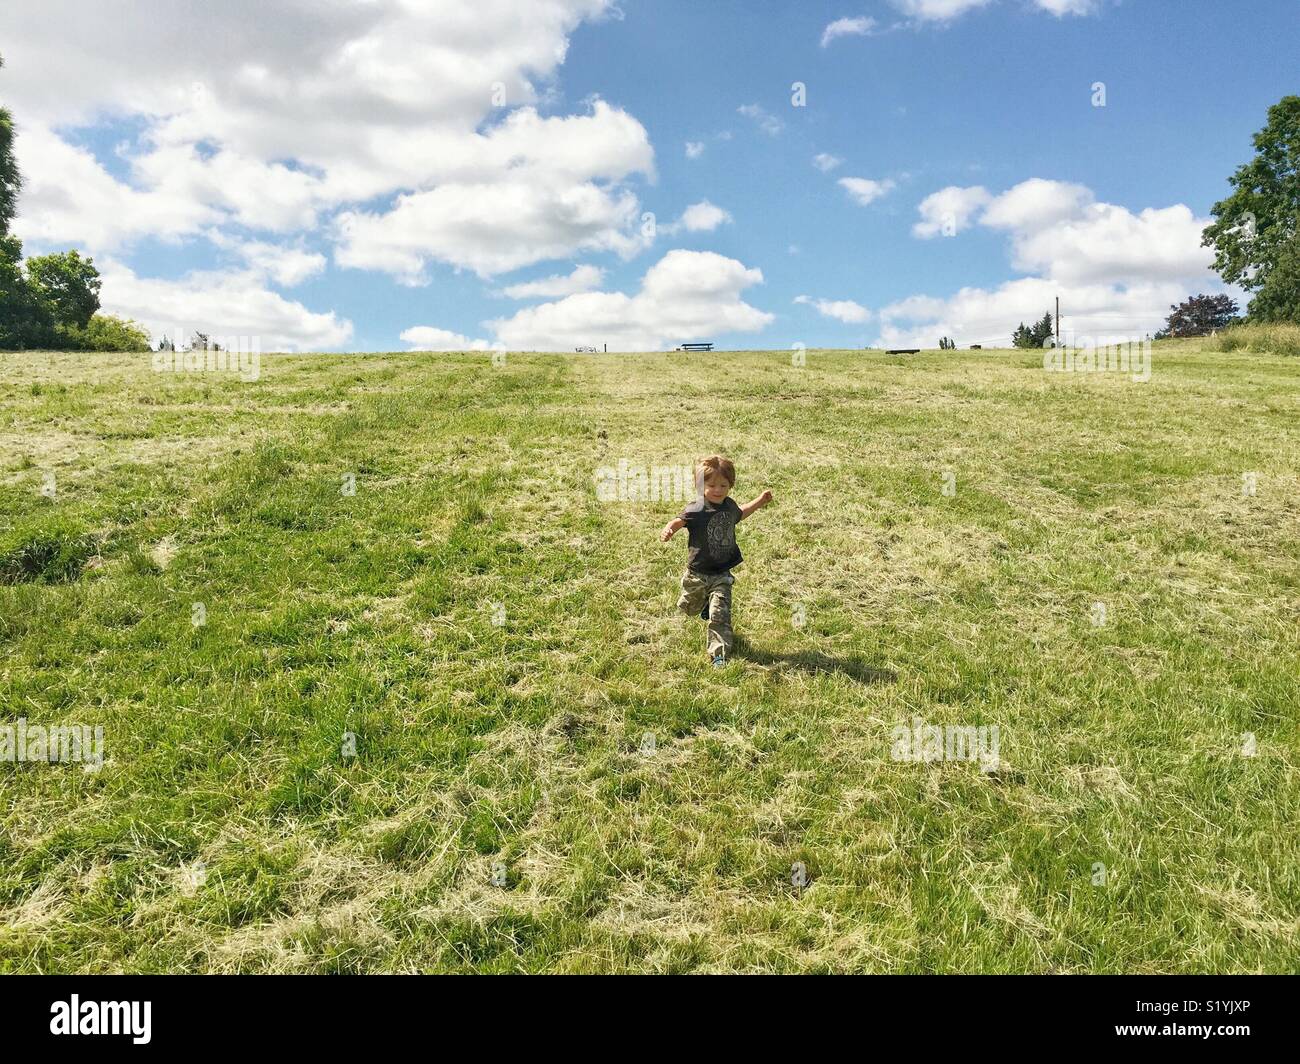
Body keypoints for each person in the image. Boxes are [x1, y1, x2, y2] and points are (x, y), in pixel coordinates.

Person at [660, 455, 773, 668]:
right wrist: (669, 529)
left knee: (720, 615)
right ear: (700, 485)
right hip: (697, 573)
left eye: (723, 485)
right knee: (688, 608)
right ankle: (702, 604)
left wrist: (759, 501)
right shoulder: (696, 508)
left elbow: (742, 513)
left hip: (722, 573)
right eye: (711, 485)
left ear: (731, 485)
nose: (718, 490)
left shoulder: (729, 506)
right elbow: (679, 521)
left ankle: (718, 654)